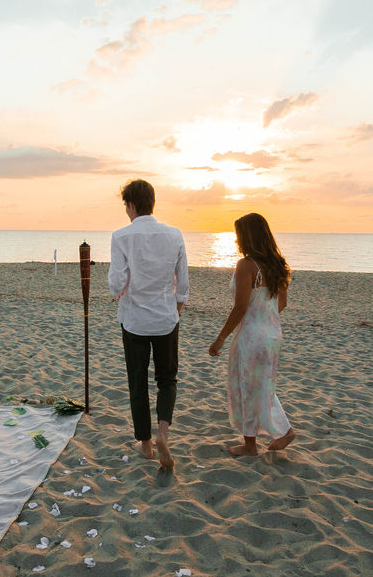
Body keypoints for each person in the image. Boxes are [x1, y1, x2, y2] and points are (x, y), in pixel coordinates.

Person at [108, 179, 189, 471]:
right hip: (167, 319)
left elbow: (116, 283)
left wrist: (127, 288)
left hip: (134, 321)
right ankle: (163, 433)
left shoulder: (121, 236)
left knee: (137, 380)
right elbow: (183, 285)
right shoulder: (174, 234)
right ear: (152, 202)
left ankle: (145, 443)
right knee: (167, 379)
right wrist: (173, 309)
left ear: (130, 204)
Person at [209, 213, 295, 457]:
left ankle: (253, 443)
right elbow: (282, 303)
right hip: (272, 334)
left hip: (251, 335)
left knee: (247, 386)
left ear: (247, 237)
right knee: (263, 386)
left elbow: (240, 307)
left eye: (238, 235)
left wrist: (221, 338)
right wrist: (265, 318)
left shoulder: (246, 265)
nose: (237, 240)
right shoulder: (278, 265)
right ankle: (276, 432)